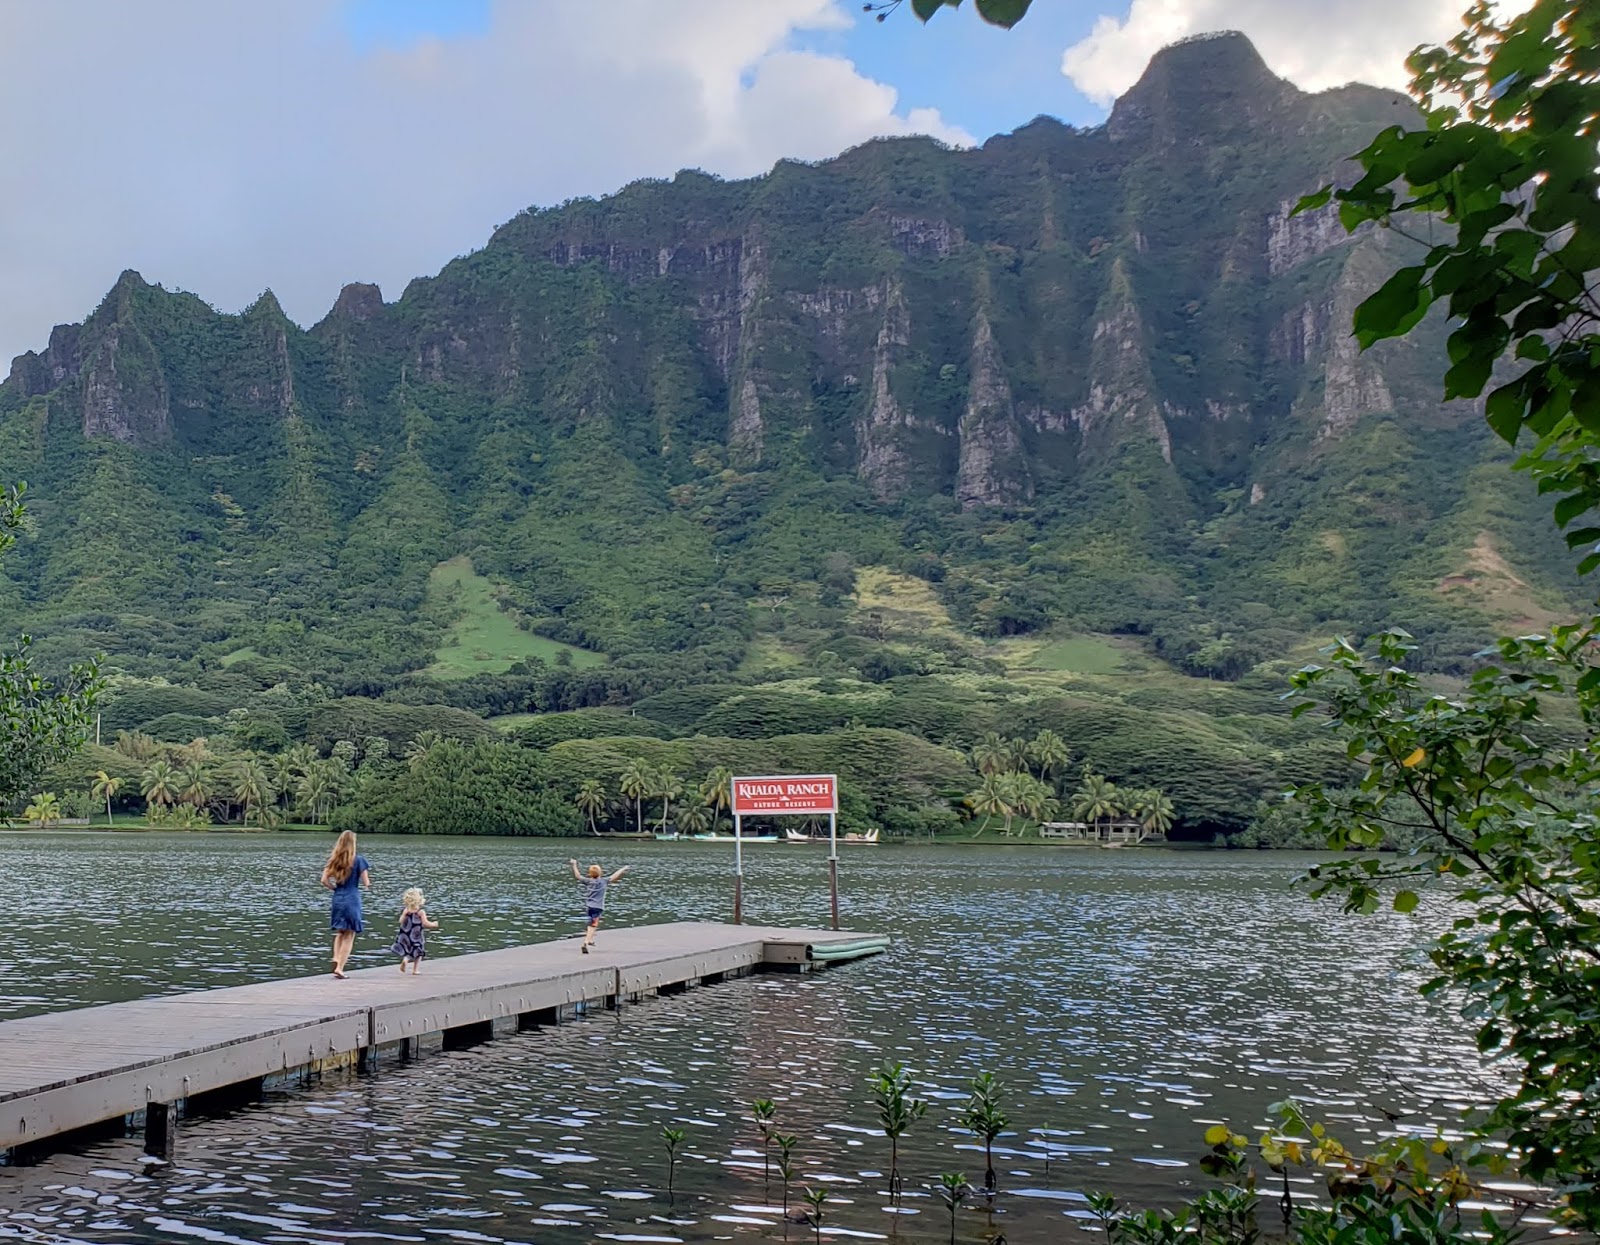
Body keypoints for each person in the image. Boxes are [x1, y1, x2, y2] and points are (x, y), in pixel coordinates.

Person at [320, 830, 370, 979]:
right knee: (350, 933)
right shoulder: (359, 860)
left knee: (340, 931)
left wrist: (334, 888)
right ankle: (340, 968)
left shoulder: (334, 860)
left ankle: (336, 957)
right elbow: (366, 882)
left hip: (338, 897)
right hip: (352, 898)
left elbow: (323, 880)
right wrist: (368, 885)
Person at [569, 858, 629, 953]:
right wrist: (623, 869)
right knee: (593, 925)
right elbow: (614, 876)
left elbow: (578, 876)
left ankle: (590, 940)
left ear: (590, 874)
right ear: (600, 873)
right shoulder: (604, 881)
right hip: (598, 907)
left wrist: (574, 864)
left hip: (589, 907)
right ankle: (586, 942)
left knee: (592, 923)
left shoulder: (588, 881)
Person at [389, 886, 439, 975]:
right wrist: (434, 924)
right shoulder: (420, 912)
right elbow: (425, 923)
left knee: (408, 950)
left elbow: (400, 921)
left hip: (406, 934)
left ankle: (406, 959)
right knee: (418, 952)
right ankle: (415, 970)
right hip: (416, 936)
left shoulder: (406, 910)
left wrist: (404, 917)